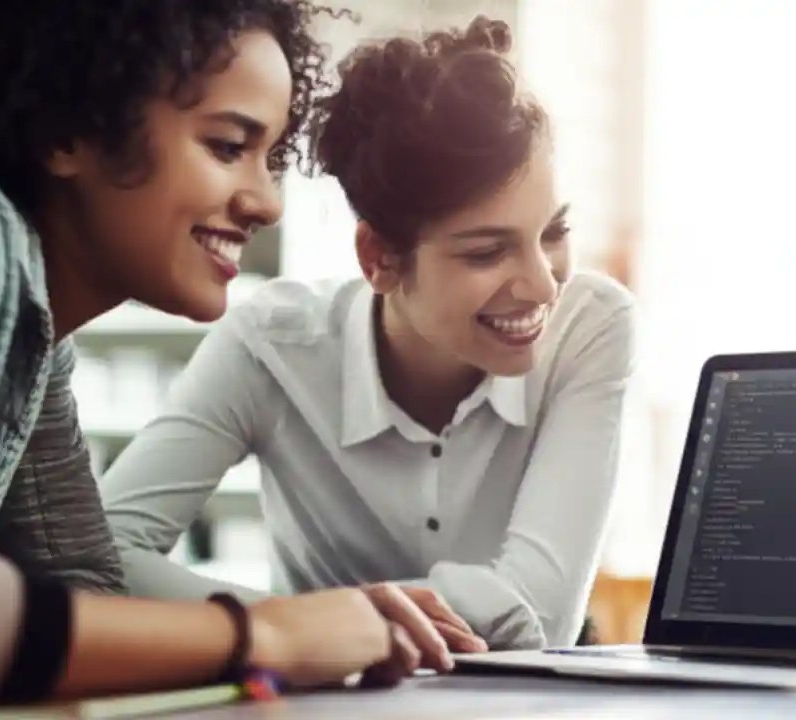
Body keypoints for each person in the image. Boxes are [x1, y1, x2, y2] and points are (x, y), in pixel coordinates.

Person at [0, 0, 443, 706]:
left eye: (271, 157)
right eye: (228, 146)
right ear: (65, 131)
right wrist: (261, 636)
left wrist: (329, 622)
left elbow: (83, 588)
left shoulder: (37, 343)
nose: (267, 202)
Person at [101, 16, 636, 652]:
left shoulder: (592, 325)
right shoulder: (271, 345)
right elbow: (103, 556)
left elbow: (536, 618)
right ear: (379, 258)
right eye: (487, 253)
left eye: (553, 233)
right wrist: (287, 627)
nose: (544, 285)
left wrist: (326, 620)